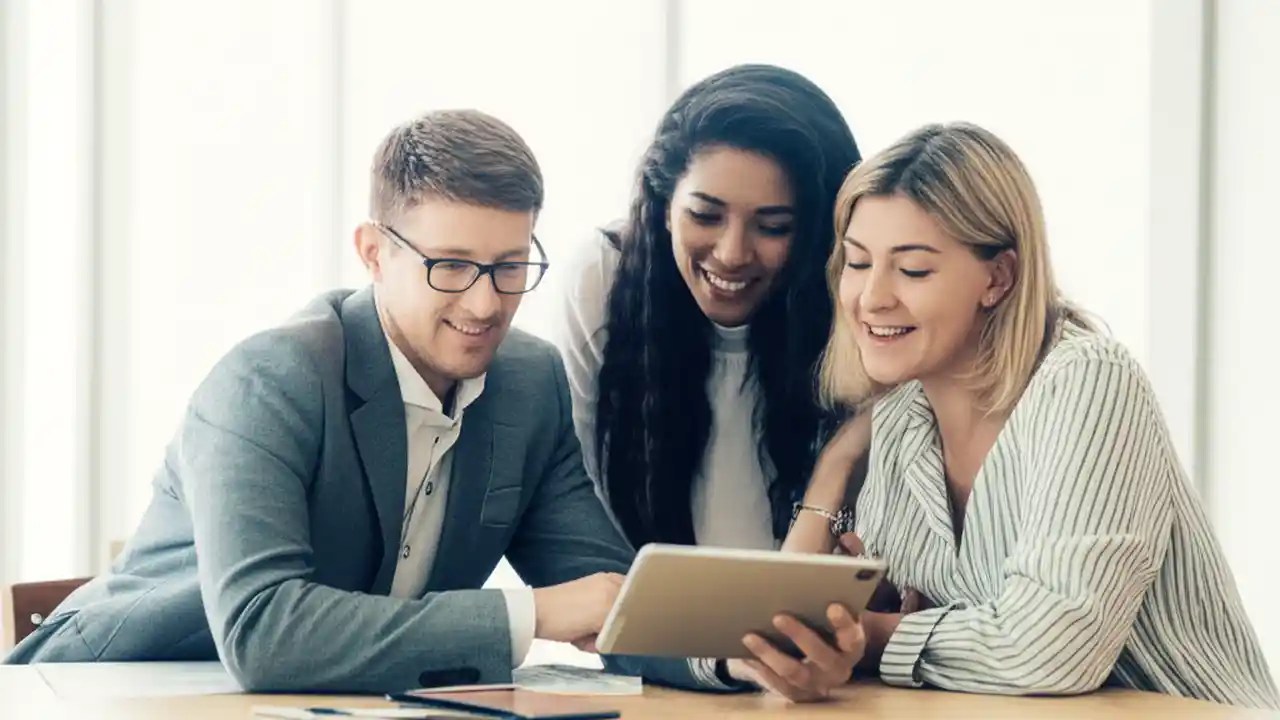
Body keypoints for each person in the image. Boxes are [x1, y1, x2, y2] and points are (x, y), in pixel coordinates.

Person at [5, 109, 850, 696]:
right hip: (119, 688)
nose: (485, 304)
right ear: (374, 253)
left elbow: (609, 594)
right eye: (451, 265)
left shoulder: (527, 383)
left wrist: (747, 659)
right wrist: (536, 613)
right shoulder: (269, 380)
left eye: (511, 266)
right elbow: (266, 634)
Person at [784, 122, 1279, 709]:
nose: (871, 297)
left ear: (999, 278)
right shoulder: (901, 417)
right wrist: (850, 611)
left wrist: (869, 639)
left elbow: (1052, 647)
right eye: (858, 263)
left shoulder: (1087, 381)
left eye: (912, 269)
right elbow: (893, 610)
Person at [557, 64, 862, 553]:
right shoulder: (601, 278)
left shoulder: (858, 301)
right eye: (704, 215)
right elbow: (577, 495)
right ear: (663, 207)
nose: (732, 253)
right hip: (647, 611)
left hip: (808, 611)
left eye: (774, 226)